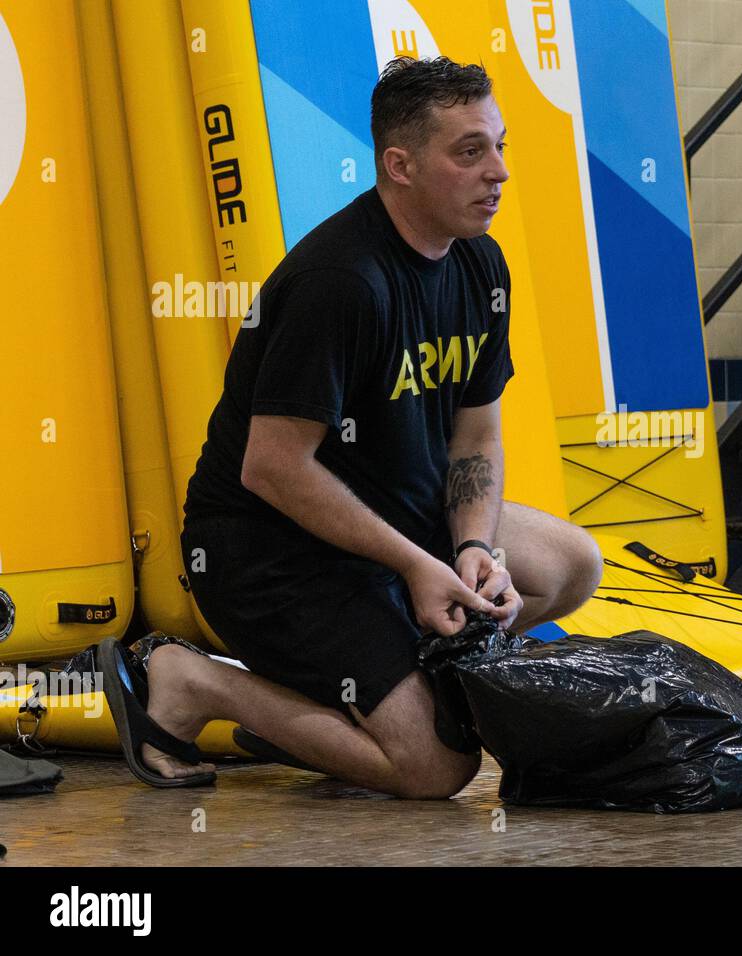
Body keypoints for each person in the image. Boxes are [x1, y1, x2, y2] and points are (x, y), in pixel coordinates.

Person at [118, 56, 603, 798]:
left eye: (500, 145)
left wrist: (472, 546)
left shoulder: (481, 265)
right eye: (470, 152)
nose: (499, 171)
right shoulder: (339, 283)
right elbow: (272, 469)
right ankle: (193, 683)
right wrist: (415, 564)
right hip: (272, 550)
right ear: (399, 165)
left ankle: (324, 711)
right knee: (438, 770)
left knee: (572, 563)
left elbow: (475, 439)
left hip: (394, 520)